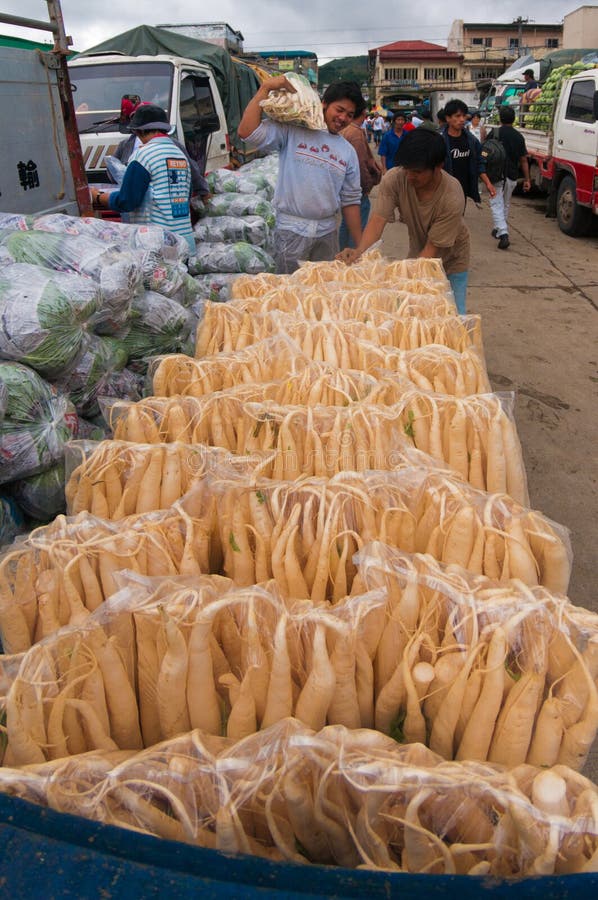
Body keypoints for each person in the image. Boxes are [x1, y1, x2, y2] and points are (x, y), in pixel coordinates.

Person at [337, 129, 471, 314]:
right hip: (419, 250)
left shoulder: (452, 195)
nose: (409, 177)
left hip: (451, 258)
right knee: (409, 310)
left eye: (417, 172)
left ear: (438, 166)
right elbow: (377, 220)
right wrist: (360, 251)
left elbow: (432, 249)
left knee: (453, 312)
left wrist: (402, 278)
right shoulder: (395, 178)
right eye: (406, 169)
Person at [238, 78, 363, 274]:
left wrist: (361, 247)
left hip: (327, 234)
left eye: (350, 115)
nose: (343, 118)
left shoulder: (347, 152)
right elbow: (247, 132)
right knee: (287, 294)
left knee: (322, 293)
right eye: (339, 110)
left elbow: (351, 200)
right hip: (290, 231)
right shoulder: (293, 130)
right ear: (324, 103)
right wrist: (265, 88)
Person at [90, 104, 194, 253]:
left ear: (138, 131)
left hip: (158, 245)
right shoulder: (179, 155)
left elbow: (127, 201)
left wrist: (98, 197)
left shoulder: (143, 156)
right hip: (184, 243)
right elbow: (186, 195)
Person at [339, 100, 383, 249]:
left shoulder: (345, 130)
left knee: (346, 224)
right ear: (363, 113)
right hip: (356, 191)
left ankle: (342, 255)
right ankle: (352, 257)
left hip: (344, 187)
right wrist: (366, 187)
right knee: (356, 226)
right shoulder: (356, 133)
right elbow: (360, 167)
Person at [487, 105, 531, 250]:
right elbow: (523, 160)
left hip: (496, 175)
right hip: (511, 176)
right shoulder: (519, 137)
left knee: (495, 203)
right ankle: (499, 229)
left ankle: (503, 233)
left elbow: (484, 151)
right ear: (514, 119)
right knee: (505, 203)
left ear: (500, 118)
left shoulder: (495, 132)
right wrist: (527, 179)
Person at [440, 98, 496, 206]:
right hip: (444, 191)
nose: (462, 119)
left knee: (458, 218)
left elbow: (480, 162)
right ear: (448, 118)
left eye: (464, 116)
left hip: (463, 190)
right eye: (457, 116)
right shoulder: (440, 140)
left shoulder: (471, 141)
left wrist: (488, 184)